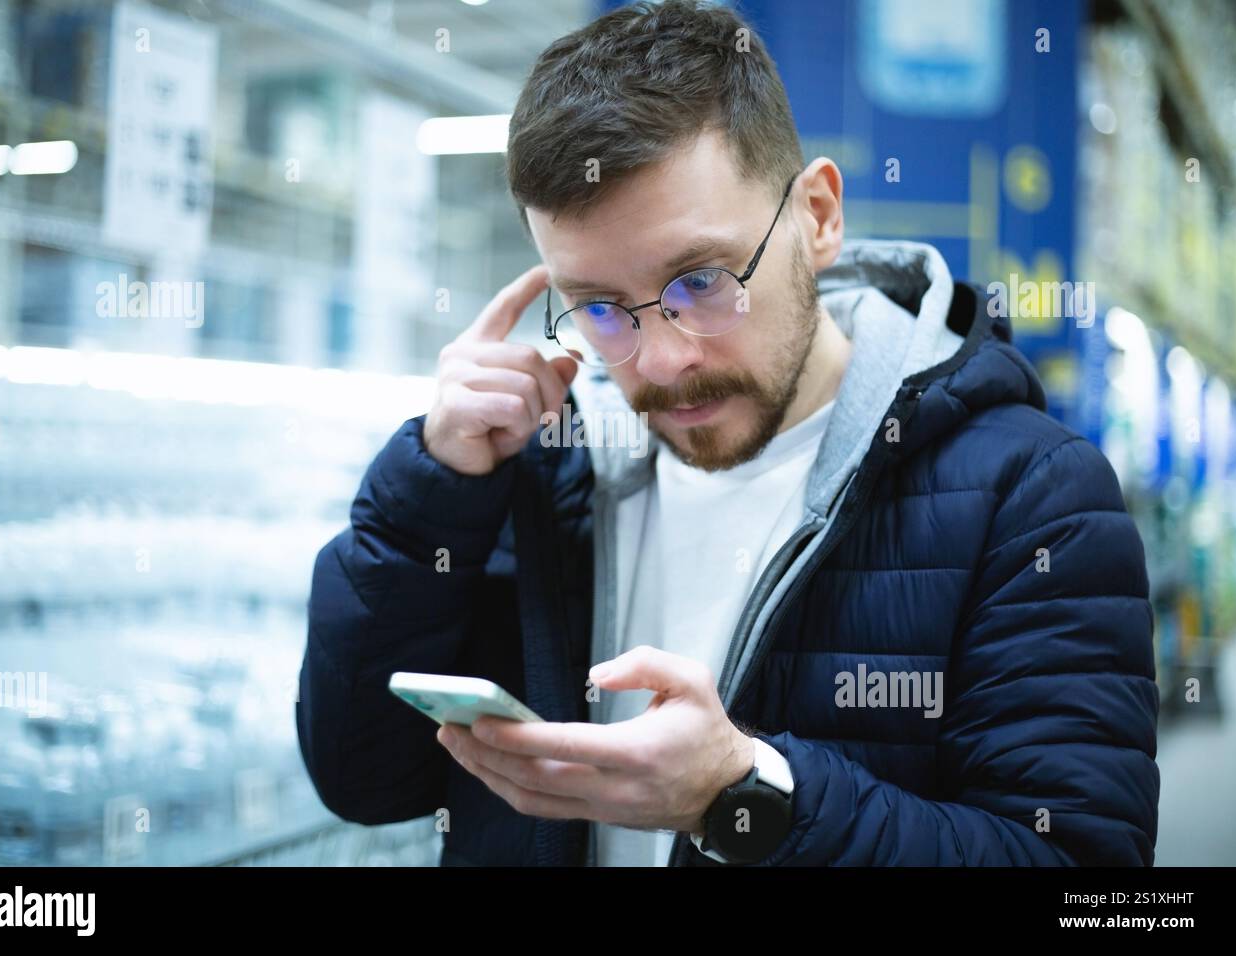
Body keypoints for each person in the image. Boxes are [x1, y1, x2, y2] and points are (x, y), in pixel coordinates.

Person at [297, 0, 1158, 866]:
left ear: (818, 216)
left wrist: (746, 799)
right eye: (600, 307)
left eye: (701, 281)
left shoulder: (1034, 499)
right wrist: (429, 497)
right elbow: (364, 780)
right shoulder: (536, 470)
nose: (663, 361)